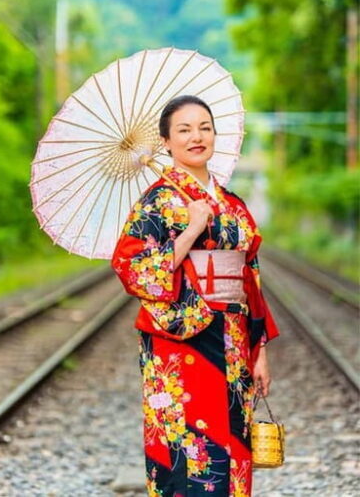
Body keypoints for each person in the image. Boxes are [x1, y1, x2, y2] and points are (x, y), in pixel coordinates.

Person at [110, 95, 279, 496]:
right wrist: (189, 230)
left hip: (234, 336)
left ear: (215, 135)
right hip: (178, 337)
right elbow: (129, 267)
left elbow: (249, 277)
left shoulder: (232, 205)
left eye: (204, 127)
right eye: (184, 130)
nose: (196, 137)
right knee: (185, 437)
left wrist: (260, 350)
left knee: (233, 435)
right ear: (166, 142)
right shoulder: (158, 201)